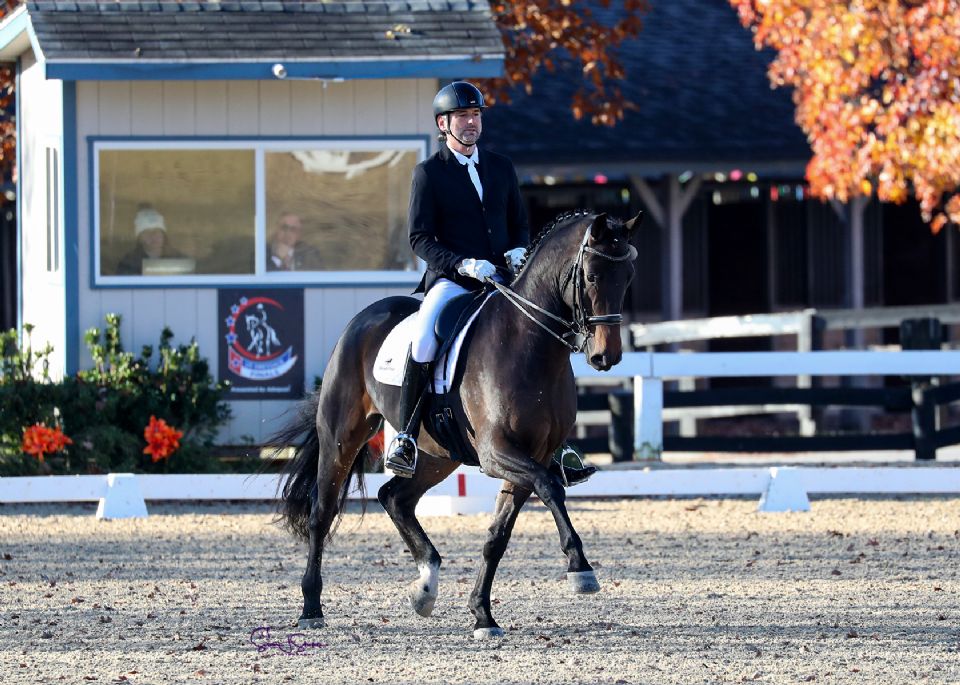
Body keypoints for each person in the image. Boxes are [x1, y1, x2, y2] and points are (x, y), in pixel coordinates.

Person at [385, 81, 530, 478]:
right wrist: (463, 265)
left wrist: (519, 249)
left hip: (501, 278)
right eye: (463, 116)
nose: (471, 123)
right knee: (425, 335)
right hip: (453, 280)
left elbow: (519, 222)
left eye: (476, 115)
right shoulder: (429, 173)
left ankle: (560, 441)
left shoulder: (501, 167)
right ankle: (406, 437)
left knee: (543, 329)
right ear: (443, 124)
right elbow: (419, 238)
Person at [115, 207, 184, 275]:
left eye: (157, 231)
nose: (153, 236)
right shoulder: (129, 264)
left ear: (163, 235)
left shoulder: (178, 260)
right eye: (147, 232)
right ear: (139, 238)